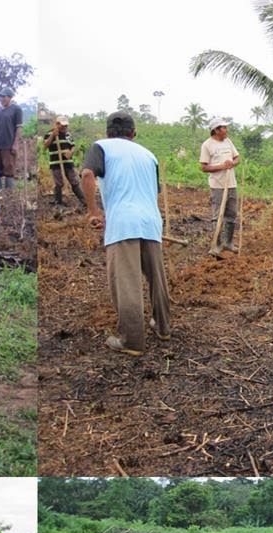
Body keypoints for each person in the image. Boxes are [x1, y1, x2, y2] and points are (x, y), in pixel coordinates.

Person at [80, 110, 172, 356]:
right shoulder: (148, 155)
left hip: (123, 223)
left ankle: (131, 341)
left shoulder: (101, 146)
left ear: (108, 131)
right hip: (150, 220)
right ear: (134, 133)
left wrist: (94, 212)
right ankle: (163, 327)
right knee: (157, 277)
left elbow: (87, 174)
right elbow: (152, 190)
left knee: (127, 281)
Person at [199, 118, 240, 256]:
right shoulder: (207, 145)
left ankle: (227, 243)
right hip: (217, 185)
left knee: (232, 213)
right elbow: (204, 167)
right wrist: (221, 166)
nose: (226, 130)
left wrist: (231, 163)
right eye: (223, 128)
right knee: (218, 215)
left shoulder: (228, 142)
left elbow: (237, 158)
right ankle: (215, 245)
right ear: (216, 130)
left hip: (231, 183)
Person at [44, 116, 85, 208]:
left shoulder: (68, 134)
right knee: (59, 183)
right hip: (56, 163)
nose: (64, 127)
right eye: (62, 126)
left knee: (74, 181)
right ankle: (58, 203)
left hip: (68, 163)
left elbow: (72, 146)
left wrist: (71, 152)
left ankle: (84, 202)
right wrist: (52, 136)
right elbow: (45, 145)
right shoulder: (49, 133)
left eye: (66, 126)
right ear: (57, 124)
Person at [0, 88, 23, 192]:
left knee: (9, 170)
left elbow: (19, 128)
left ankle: (9, 196)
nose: (2, 99)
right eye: (0, 96)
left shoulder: (16, 109)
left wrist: (15, 144)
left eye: (4, 96)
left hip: (9, 145)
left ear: (10, 97)